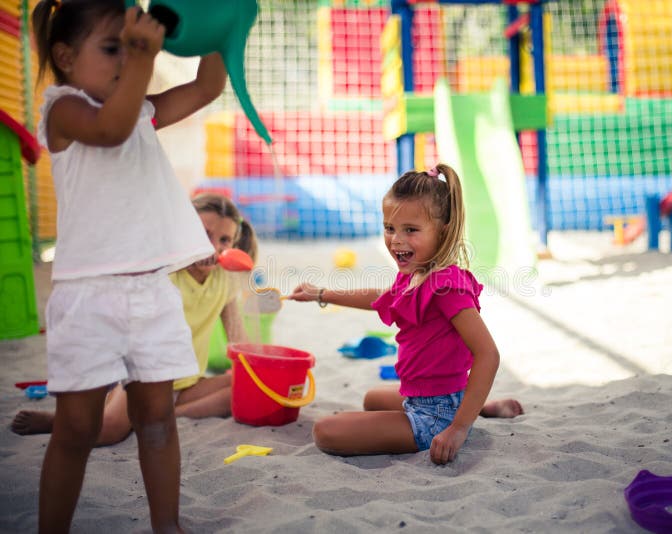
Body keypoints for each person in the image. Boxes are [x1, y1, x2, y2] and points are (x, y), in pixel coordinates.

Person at [28, 0, 227, 531]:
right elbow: (110, 129)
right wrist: (142, 56)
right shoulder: (63, 109)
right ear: (66, 57)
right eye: (112, 48)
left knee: (158, 421)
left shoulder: (140, 108)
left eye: (131, 47)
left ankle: (168, 526)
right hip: (89, 297)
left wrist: (221, 27)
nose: (126, 60)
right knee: (76, 428)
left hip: (152, 294)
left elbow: (207, 88)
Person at [288, 163, 523, 465]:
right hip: (426, 397)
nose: (396, 240)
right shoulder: (416, 273)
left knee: (324, 432)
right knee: (371, 399)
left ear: (444, 230)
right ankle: (482, 406)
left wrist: (458, 429)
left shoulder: (446, 286)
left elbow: (488, 355)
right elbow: (381, 298)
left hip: (436, 415)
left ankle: (466, 414)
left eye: (410, 230)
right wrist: (320, 293)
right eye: (389, 228)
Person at [12, 193, 256, 440]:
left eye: (224, 240)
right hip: (142, 377)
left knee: (245, 387)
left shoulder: (225, 282)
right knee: (110, 431)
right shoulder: (162, 271)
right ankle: (61, 422)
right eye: (204, 234)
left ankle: (168, 413)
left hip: (187, 384)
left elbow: (240, 344)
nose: (213, 247)